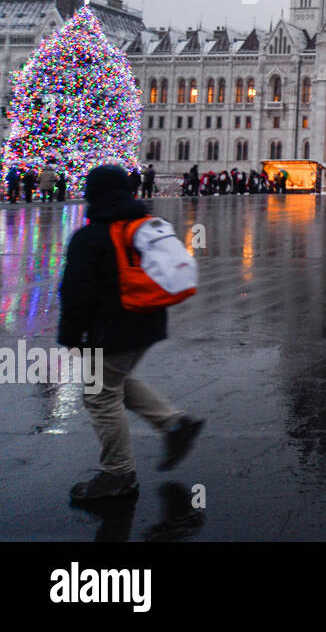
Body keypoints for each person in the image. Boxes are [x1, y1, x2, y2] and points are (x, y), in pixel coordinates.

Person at [57, 165, 204, 502]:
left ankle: (118, 473)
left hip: (111, 331)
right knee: (114, 381)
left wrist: (69, 337)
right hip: (147, 324)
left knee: (99, 396)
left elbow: (76, 293)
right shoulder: (142, 227)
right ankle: (175, 424)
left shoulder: (89, 237)